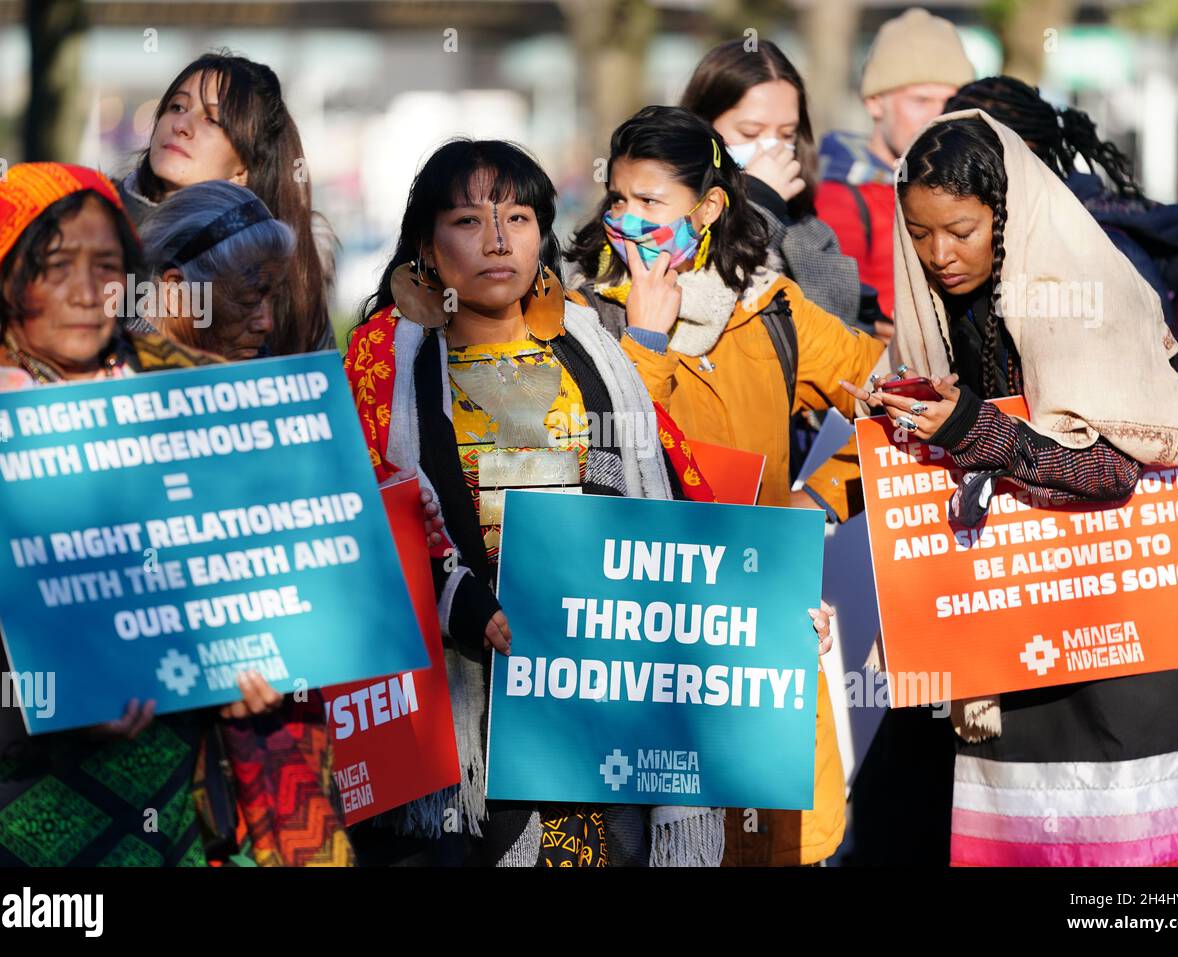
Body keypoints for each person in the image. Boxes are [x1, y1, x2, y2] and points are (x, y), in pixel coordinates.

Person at [346, 137, 837, 867]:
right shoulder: (381, 361)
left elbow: (672, 504)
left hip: (604, 699)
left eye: (516, 218)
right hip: (466, 714)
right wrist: (461, 601)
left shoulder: (594, 347)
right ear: (425, 240)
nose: (496, 241)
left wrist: (767, 609)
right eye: (467, 220)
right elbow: (358, 529)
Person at [843, 112, 1178, 866]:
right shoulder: (939, 308)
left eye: (961, 230)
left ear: (1007, 213)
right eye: (920, 233)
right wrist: (897, 407)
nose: (939, 254)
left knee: (1137, 873)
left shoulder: (1078, 292)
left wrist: (969, 425)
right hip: (1021, 648)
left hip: (1130, 653)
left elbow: (1110, 468)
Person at [0, 163, 302, 866]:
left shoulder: (172, 389)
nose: (87, 293)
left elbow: (224, 568)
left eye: (108, 267)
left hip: (164, 790)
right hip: (10, 798)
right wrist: (62, 701)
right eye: (57, 267)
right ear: (11, 277)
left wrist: (241, 665)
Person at [566, 105, 883, 865]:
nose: (630, 220)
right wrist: (644, 340)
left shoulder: (771, 307)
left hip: (758, 641)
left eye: (652, 203)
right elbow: (597, 463)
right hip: (636, 642)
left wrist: (819, 500)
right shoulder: (578, 315)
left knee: (764, 845)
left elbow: (895, 401)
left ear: (708, 208)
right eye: (619, 199)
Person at [944, 75, 1178, 372]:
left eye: (966, 162)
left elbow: (1155, 382)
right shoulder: (1005, 235)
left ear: (1022, 151)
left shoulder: (1105, 247)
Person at [119, 50, 334, 355]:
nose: (182, 125)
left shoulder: (290, 272)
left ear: (244, 169)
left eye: (212, 119)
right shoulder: (92, 231)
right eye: (177, 106)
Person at [680, 39, 862, 330]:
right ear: (702, 125)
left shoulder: (810, 230)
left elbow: (830, 330)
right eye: (750, 132)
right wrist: (759, 200)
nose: (771, 149)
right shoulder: (667, 215)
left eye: (787, 134)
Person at [816, 6, 974, 333]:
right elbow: (835, 318)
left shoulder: (971, 185)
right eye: (921, 100)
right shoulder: (839, 196)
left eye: (952, 102)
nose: (939, 116)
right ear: (874, 101)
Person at [134, 180, 292, 361]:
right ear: (176, 292)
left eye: (275, 300)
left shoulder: (269, 377)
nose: (267, 324)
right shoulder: (115, 380)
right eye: (249, 301)